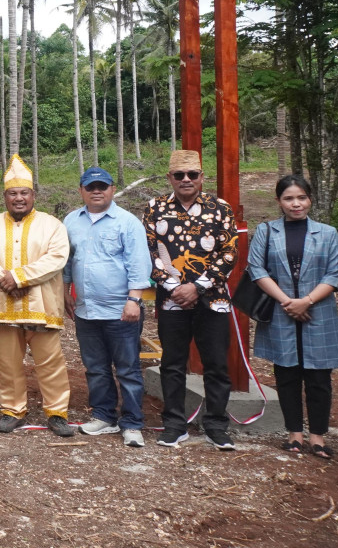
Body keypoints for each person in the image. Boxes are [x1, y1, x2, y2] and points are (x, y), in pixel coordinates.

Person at [246, 175, 338, 460]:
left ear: (310, 199)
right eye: (289, 198)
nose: (296, 203)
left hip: (318, 312)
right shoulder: (267, 231)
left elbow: (333, 273)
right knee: (287, 372)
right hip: (282, 310)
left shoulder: (327, 233)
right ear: (279, 201)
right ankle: (294, 434)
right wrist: (288, 302)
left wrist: (307, 301)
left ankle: (318, 436)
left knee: (318, 376)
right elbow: (257, 269)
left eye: (301, 197)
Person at [143, 149, 239, 450]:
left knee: (215, 363)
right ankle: (174, 423)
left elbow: (229, 253)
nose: (186, 180)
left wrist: (197, 286)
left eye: (192, 175)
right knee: (172, 362)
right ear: (170, 177)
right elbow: (149, 251)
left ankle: (216, 424)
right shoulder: (155, 208)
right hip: (172, 300)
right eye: (179, 175)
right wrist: (175, 288)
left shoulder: (220, 208)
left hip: (212, 298)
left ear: (201, 176)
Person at [0, 155, 74, 437]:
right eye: (13, 193)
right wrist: (6, 281)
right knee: (8, 362)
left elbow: (56, 258)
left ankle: (57, 412)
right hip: (2, 307)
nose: (19, 198)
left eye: (24, 193)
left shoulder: (52, 224)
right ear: (5, 196)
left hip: (41, 305)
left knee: (50, 362)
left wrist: (19, 277)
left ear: (34, 195)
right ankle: (12, 410)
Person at [62, 167, 151, 448]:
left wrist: (134, 299)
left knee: (127, 368)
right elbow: (67, 261)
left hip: (121, 309)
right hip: (87, 310)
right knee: (96, 368)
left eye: (102, 186)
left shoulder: (127, 222)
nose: (96, 191)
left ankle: (133, 422)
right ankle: (103, 415)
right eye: (91, 187)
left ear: (112, 189)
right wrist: (65, 291)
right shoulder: (71, 221)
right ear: (81, 191)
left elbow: (139, 263)